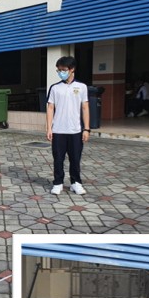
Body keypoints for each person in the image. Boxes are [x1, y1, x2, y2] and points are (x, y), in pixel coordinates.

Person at [46, 55, 90, 196]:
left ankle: (75, 183)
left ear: (72, 69)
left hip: (75, 130)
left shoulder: (81, 87)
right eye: (58, 70)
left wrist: (86, 129)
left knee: (75, 159)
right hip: (58, 130)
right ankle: (58, 183)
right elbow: (50, 108)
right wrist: (49, 128)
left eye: (63, 70)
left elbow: (85, 108)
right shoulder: (54, 88)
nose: (60, 72)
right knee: (58, 158)